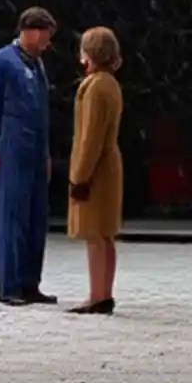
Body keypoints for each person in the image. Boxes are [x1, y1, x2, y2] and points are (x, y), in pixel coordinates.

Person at [0, 6, 58, 306]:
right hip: (12, 149)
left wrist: (46, 153)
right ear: (31, 31)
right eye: (46, 37)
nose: (48, 44)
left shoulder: (37, 65)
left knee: (36, 219)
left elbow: (43, 114)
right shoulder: (3, 61)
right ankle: (9, 286)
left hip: (36, 152)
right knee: (13, 218)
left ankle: (29, 283)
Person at [66, 26, 125, 315]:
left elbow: (90, 138)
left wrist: (79, 176)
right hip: (109, 165)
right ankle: (104, 293)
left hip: (97, 169)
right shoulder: (110, 84)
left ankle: (97, 296)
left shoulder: (94, 87)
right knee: (105, 234)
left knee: (95, 234)